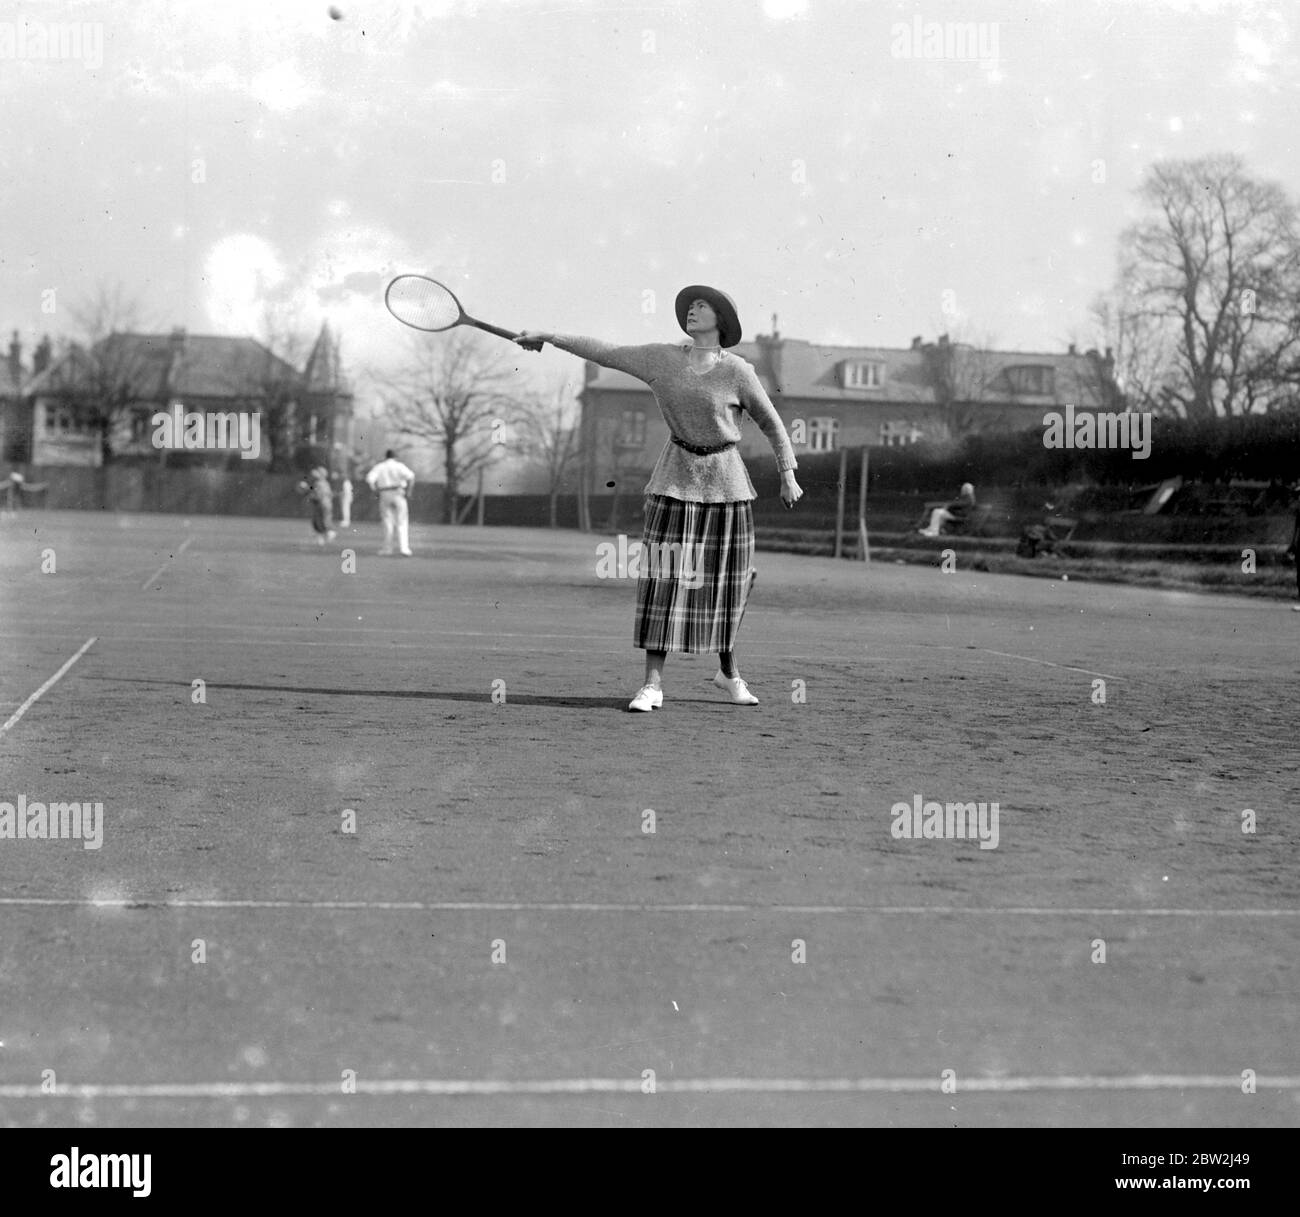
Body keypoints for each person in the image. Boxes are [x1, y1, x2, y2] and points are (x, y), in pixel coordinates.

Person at [516, 284, 803, 711]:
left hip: (728, 487)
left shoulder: (739, 371)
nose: (691, 311)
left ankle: (729, 674)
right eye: (689, 306)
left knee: (727, 582)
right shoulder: (662, 359)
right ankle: (652, 685)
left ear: (720, 320)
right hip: (674, 482)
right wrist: (550, 336)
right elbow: (605, 351)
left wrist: (788, 474)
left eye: (701, 306)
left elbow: (773, 423)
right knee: (664, 580)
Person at [366, 448, 415, 556]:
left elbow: (370, 479)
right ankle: (404, 549)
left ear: (386, 457)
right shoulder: (399, 466)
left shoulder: (380, 466)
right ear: (395, 457)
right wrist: (409, 492)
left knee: (387, 522)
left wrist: (375, 491)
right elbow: (411, 477)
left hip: (384, 493)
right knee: (402, 521)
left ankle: (387, 549)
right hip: (398, 493)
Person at [296, 466, 336, 546]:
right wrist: (308, 489)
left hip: (321, 505)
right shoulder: (324, 483)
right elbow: (315, 490)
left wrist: (305, 489)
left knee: (322, 522)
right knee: (320, 522)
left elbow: (317, 494)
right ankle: (321, 539)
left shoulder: (319, 483)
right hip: (325, 504)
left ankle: (329, 535)